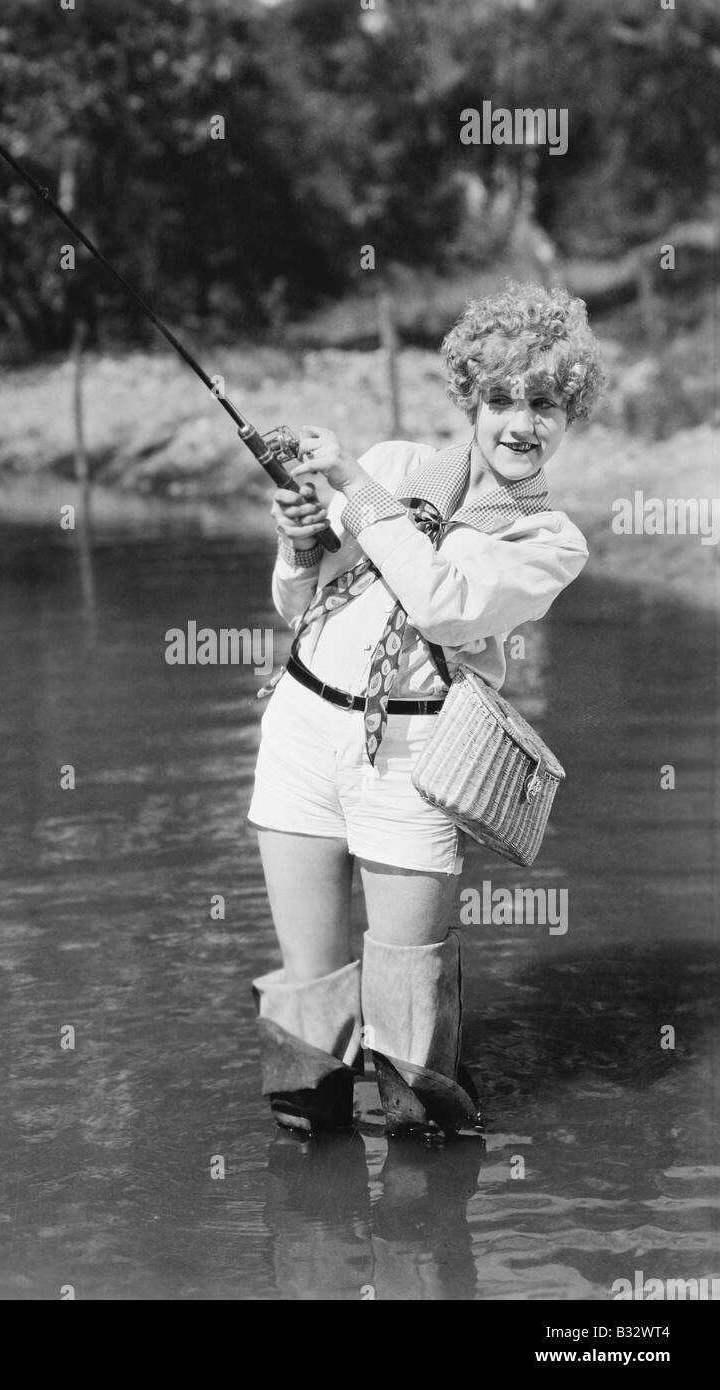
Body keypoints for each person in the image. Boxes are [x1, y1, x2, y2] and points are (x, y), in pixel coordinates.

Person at [248, 280, 605, 1140]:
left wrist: (348, 484)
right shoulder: (401, 465)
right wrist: (300, 540)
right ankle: (315, 1212)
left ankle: (426, 1193)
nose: (521, 423)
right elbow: (299, 604)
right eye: (501, 399)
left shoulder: (548, 539)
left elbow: (443, 601)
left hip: (416, 759)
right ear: (470, 400)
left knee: (409, 1021)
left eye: (546, 403)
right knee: (308, 996)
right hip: (301, 730)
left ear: (571, 413)